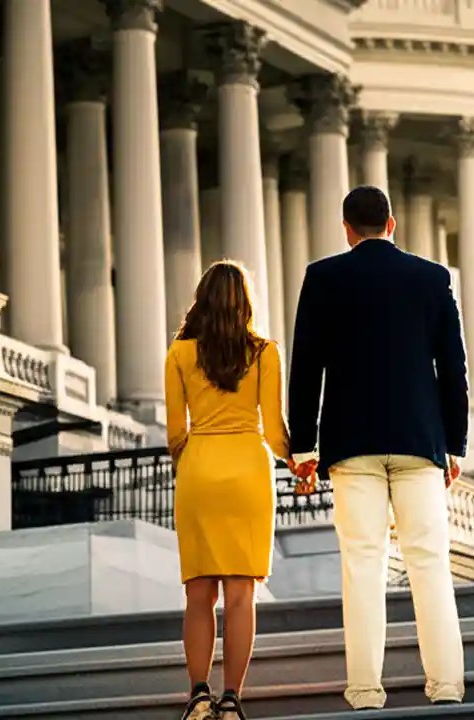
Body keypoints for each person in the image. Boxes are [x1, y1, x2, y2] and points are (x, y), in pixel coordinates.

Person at [286, 185, 469, 710]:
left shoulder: (323, 278)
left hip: (352, 444)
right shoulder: (433, 279)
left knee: (362, 567)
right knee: (430, 564)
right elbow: (452, 370)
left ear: (347, 229)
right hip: (419, 440)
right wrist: (453, 444)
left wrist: (303, 447)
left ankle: (366, 690)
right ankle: (447, 686)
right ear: (392, 224)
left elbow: (307, 369)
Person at [166, 261, 292, 720]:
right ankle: (232, 702)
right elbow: (276, 432)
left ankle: (198, 696)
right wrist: (299, 460)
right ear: (245, 304)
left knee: (198, 595)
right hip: (248, 473)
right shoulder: (265, 352)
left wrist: (196, 459)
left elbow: (175, 433)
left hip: (199, 470)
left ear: (202, 300)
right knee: (242, 595)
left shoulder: (179, 355)